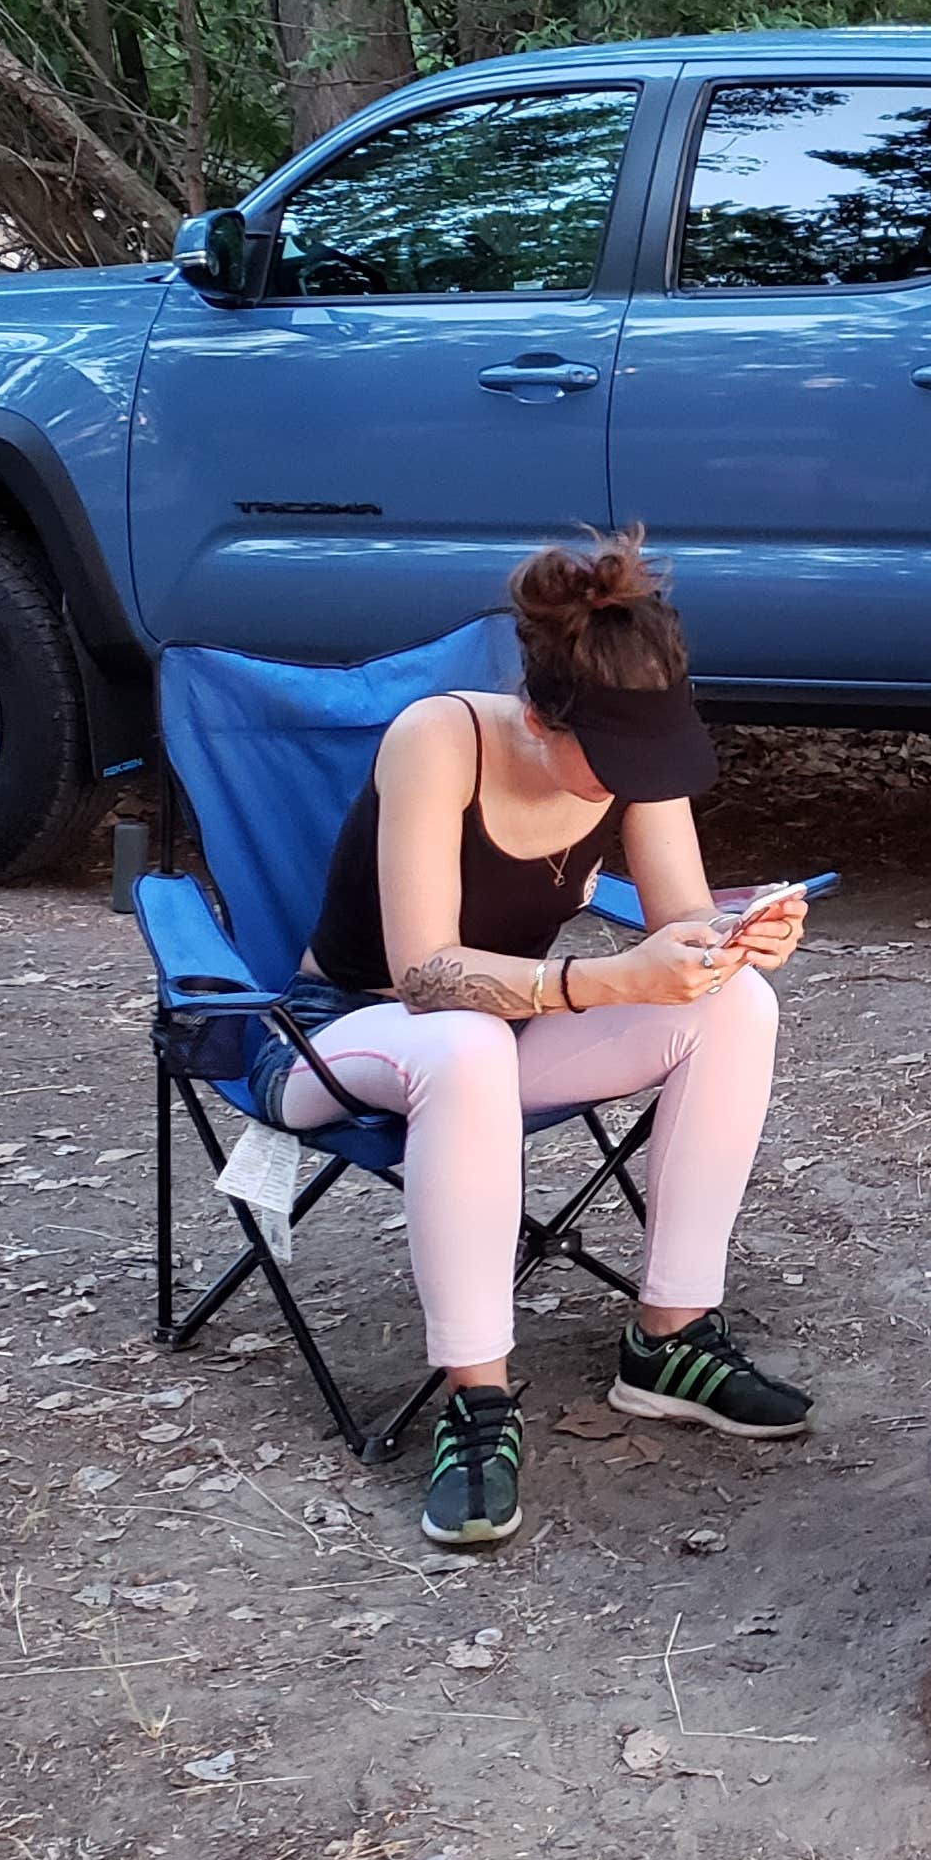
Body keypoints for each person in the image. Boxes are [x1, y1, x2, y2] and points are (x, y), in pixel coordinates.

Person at [255, 530, 810, 1550]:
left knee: (738, 1009)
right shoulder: (441, 739)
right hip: (343, 1034)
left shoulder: (632, 762)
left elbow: (677, 921)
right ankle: (476, 1402)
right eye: (612, 762)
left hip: (502, 1032)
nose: (629, 782)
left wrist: (736, 939)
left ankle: (670, 1342)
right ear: (544, 717)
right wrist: (603, 980)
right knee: (463, 1044)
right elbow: (425, 973)